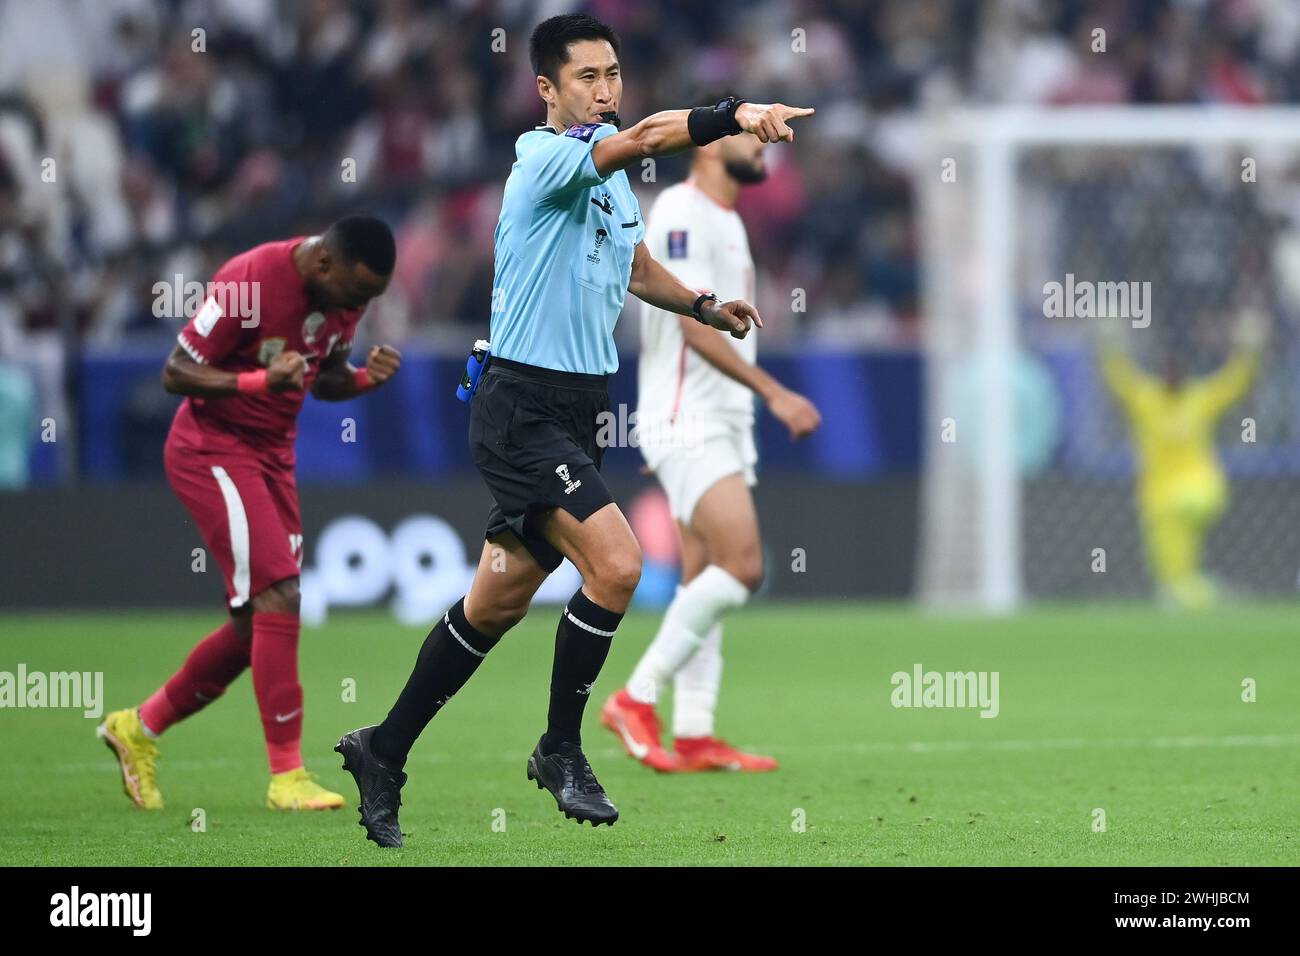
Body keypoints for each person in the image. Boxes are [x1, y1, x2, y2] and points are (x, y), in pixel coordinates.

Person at [335, 12, 813, 847]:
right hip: (519, 405)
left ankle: (383, 748)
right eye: (587, 77)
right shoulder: (547, 158)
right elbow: (654, 135)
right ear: (547, 90)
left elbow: (634, 269)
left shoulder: (612, 182)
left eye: (614, 74)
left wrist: (704, 306)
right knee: (621, 564)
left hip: (578, 407)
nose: (605, 90)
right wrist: (732, 114)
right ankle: (561, 747)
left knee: (496, 601)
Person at [98, 215, 402, 810]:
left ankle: (136, 728)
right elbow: (174, 372)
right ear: (323, 264)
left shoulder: (344, 296)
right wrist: (260, 380)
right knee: (281, 597)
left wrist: (365, 379)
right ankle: (286, 776)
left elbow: (325, 378)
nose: (361, 305)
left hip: (272, 458)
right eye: (358, 292)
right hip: (211, 449)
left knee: (251, 630)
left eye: (371, 296)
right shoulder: (249, 280)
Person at [602, 128, 821, 772]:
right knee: (743, 566)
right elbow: (691, 327)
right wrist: (775, 393)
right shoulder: (680, 212)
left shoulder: (725, 220)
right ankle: (635, 699)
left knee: (704, 576)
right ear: (705, 147)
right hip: (690, 417)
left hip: (709, 418)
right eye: (750, 139)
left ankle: (695, 732)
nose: (763, 151)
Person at [1098, 310, 1265, 610]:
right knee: (1172, 580)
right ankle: (1204, 597)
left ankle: (1200, 593)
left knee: (1186, 507)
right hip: (1157, 496)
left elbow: (1235, 382)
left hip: (1198, 484)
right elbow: (1118, 377)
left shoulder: (1200, 398)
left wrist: (1249, 349)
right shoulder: (1145, 398)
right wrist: (1110, 344)